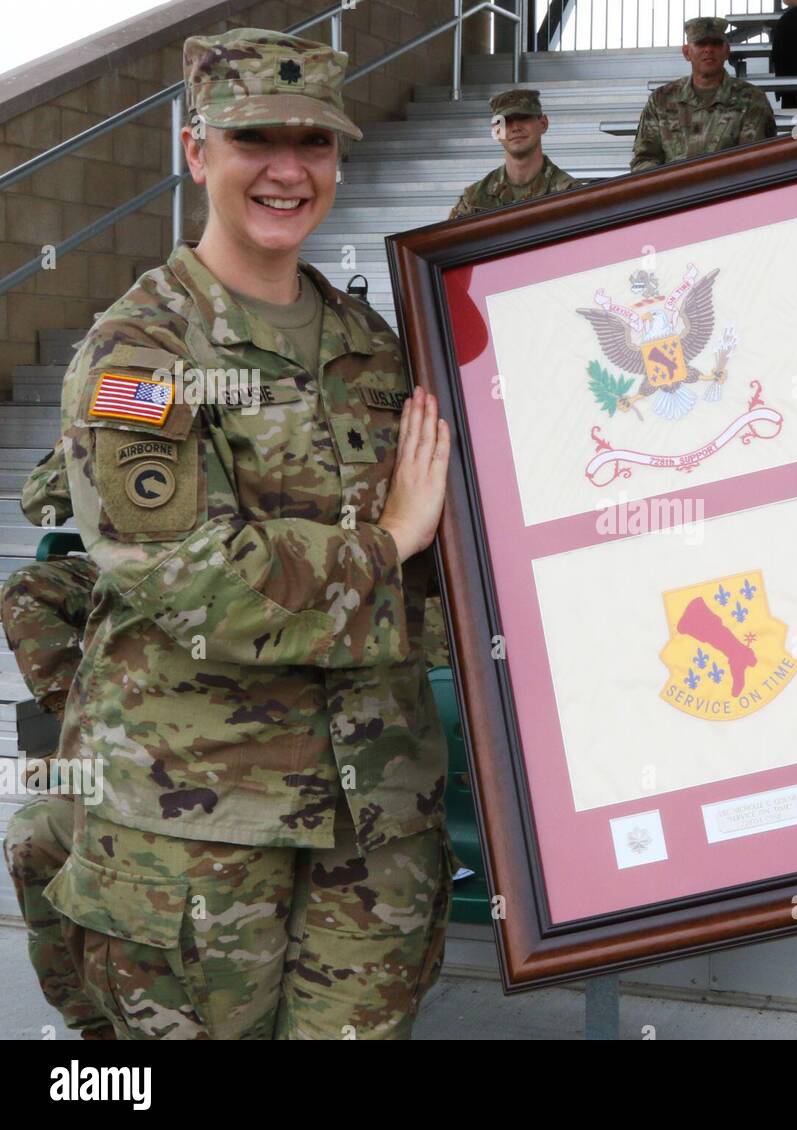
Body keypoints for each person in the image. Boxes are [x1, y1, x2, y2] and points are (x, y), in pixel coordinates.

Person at [43, 28, 455, 1040]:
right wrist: (387, 542)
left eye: (314, 144)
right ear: (197, 151)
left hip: (377, 824)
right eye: (253, 139)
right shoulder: (139, 352)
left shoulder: (377, 346)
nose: (287, 168)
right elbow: (188, 576)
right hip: (197, 834)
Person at [1, 445, 110, 1039]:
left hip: (264, 588)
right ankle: (80, 738)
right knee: (29, 586)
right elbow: (40, 500)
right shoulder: (148, 386)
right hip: (140, 575)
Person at [631, 17, 777, 173]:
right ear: (686, 52)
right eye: (700, 43)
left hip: (731, 193)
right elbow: (644, 160)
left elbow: (756, 161)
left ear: (727, 50)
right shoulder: (662, 100)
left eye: (716, 43)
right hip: (675, 193)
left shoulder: (751, 99)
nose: (708, 49)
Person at [448, 89, 580, 219]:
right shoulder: (474, 200)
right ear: (497, 131)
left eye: (523, 118)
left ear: (543, 123)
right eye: (507, 121)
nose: (516, 127)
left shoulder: (568, 194)